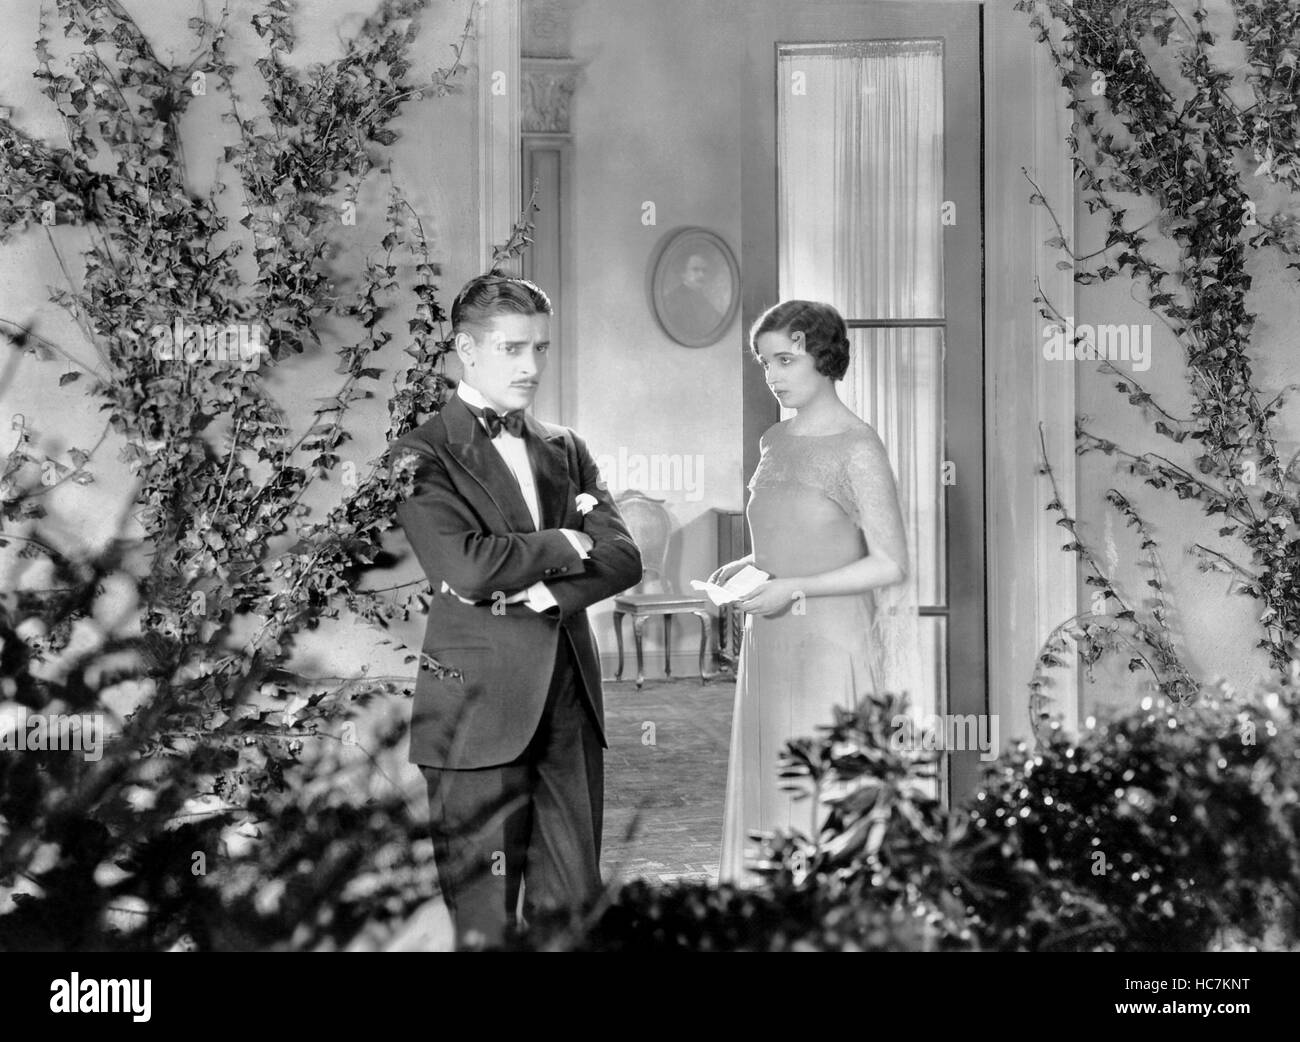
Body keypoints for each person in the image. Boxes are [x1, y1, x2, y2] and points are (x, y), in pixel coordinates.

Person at [389, 274, 642, 945]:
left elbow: (623, 558)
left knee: (571, 916)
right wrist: (564, 541)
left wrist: (547, 588)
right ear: (466, 352)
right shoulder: (419, 454)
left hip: (568, 704)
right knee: (485, 925)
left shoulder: (566, 447)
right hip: (473, 712)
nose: (531, 367)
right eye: (512, 350)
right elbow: (466, 566)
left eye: (540, 349)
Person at [712, 299, 918, 883]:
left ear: (823, 358)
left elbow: (889, 564)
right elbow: (796, 533)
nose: (774, 376)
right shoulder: (774, 440)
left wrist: (792, 587)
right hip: (773, 641)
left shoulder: (858, 446)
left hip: (831, 644)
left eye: (786, 359)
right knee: (775, 781)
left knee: (824, 794)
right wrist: (748, 564)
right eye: (764, 363)